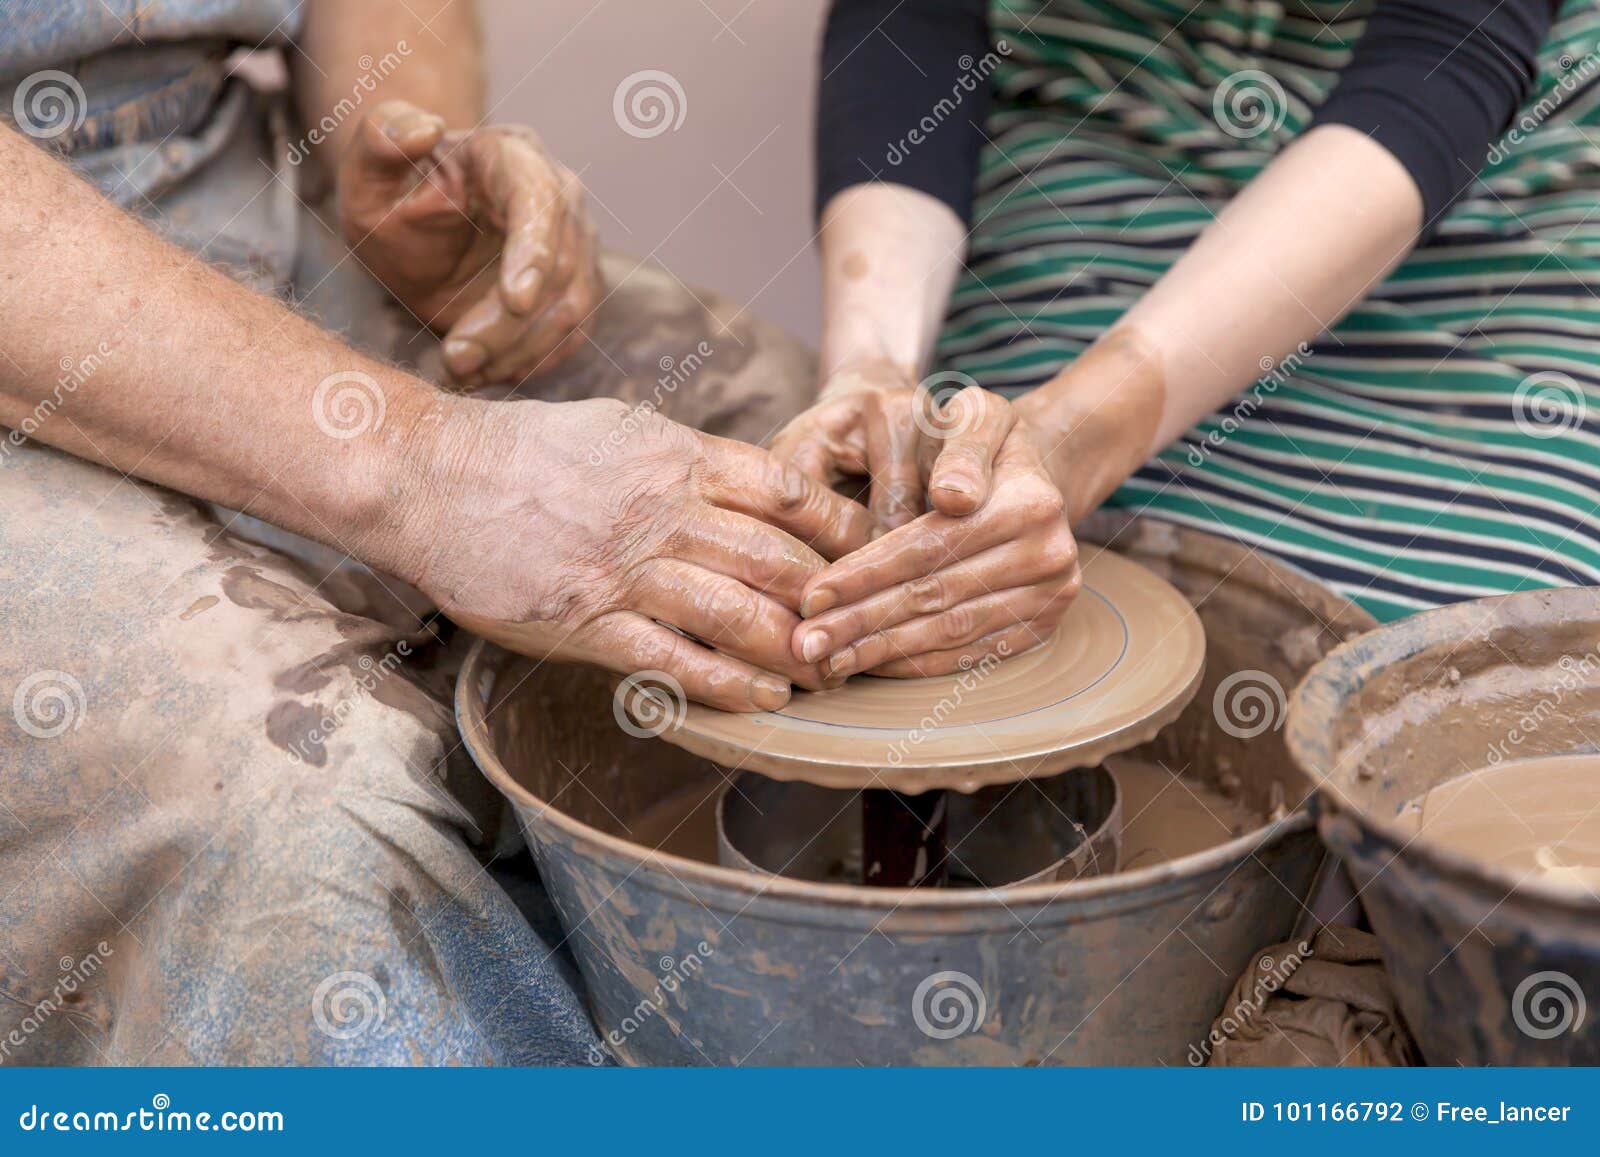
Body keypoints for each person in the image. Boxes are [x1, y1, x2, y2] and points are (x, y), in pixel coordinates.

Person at [0, 1, 876, 1063]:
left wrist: (400, 140)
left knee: (779, 452)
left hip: (216, 185)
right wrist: (429, 468)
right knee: (302, 804)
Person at [775, 0, 1595, 684]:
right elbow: (915, 16)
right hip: (1106, 98)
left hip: (1478, 162)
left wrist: (1078, 433)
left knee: (1483, 666)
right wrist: (869, 364)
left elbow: (1445, 53)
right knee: (949, 542)